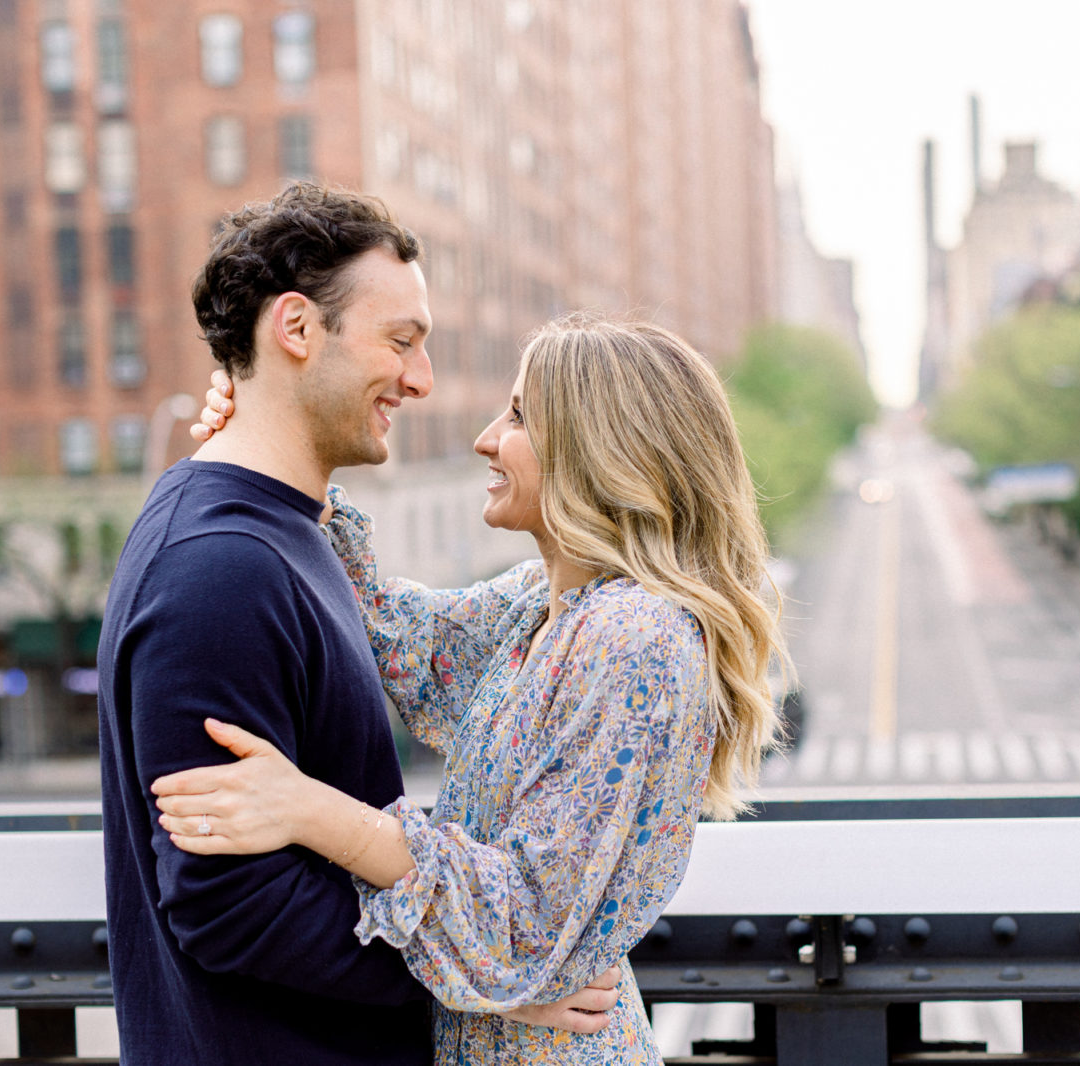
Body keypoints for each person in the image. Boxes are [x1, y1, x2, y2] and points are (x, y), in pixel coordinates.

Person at [152, 314, 789, 1063]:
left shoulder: (634, 638)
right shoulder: (541, 604)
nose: (487, 439)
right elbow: (399, 639)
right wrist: (266, 447)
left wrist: (308, 810)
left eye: (518, 417)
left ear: (599, 448)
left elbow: (523, 921)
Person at [97, 183, 617, 1066]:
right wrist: (486, 975)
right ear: (297, 329)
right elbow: (228, 906)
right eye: (400, 341)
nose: (421, 379)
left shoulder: (281, 532)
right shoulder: (220, 569)